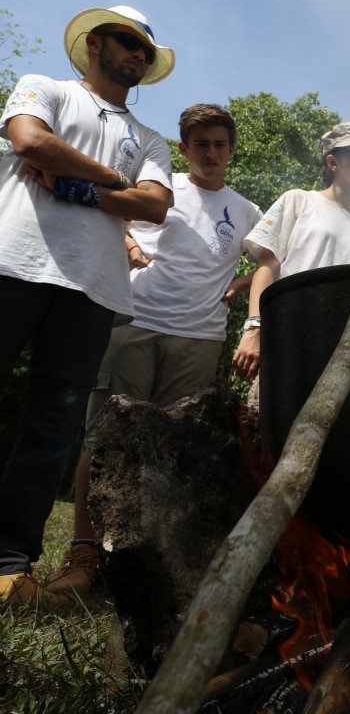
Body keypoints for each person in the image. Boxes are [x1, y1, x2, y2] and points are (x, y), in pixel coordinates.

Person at [44, 104, 261, 598]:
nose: (211, 153)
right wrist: (127, 245)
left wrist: (240, 283)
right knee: (105, 439)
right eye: (201, 144)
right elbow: (108, 216)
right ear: (184, 149)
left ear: (231, 149)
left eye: (220, 144)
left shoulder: (247, 211)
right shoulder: (162, 188)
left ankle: (154, 562)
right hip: (134, 322)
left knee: (177, 449)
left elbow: (274, 258)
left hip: (200, 339)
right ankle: (84, 554)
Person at [0, 5, 174, 610]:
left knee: (53, 426)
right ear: (95, 42)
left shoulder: (150, 139)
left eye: (146, 51)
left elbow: (154, 206)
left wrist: (75, 182)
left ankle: (9, 566)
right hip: (13, 263)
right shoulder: (45, 88)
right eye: (128, 42)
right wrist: (115, 182)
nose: (138, 55)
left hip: (94, 288)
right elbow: (29, 140)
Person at [232, 122, 350, 381]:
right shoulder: (299, 200)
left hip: (336, 355)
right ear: (332, 162)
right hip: (285, 340)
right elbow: (266, 266)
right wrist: (254, 327)